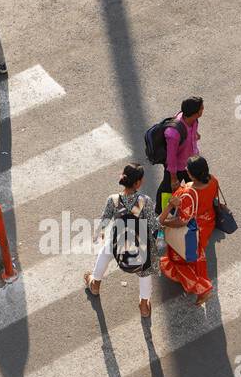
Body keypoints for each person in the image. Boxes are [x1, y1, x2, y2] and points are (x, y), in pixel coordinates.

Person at [84, 164, 159, 317]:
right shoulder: (145, 201)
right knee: (146, 270)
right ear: (138, 183)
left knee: (106, 250)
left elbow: (104, 221)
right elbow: (153, 226)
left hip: (118, 244)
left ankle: (95, 284)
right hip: (139, 249)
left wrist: (100, 232)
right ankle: (144, 306)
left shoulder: (113, 200)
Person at [158, 154, 220, 305]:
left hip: (192, 231)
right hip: (207, 223)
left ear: (191, 174)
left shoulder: (188, 193)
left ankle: (202, 289)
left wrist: (166, 223)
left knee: (182, 258)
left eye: (187, 168)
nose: (185, 169)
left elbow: (181, 221)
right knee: (197, 257)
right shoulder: (213, 180)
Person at [157, 96, 204, 213]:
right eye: (201, 108)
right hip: (177, 168)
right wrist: (173, 178)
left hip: (191, 162)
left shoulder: (194, 120)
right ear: (195, 113)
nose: (203, 109)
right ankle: (161, 211)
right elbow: (171, 157)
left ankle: (191, 207)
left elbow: (192, 130)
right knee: (167, 190)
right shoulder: (173, 133)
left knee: (195, 186)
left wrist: (195, 135)